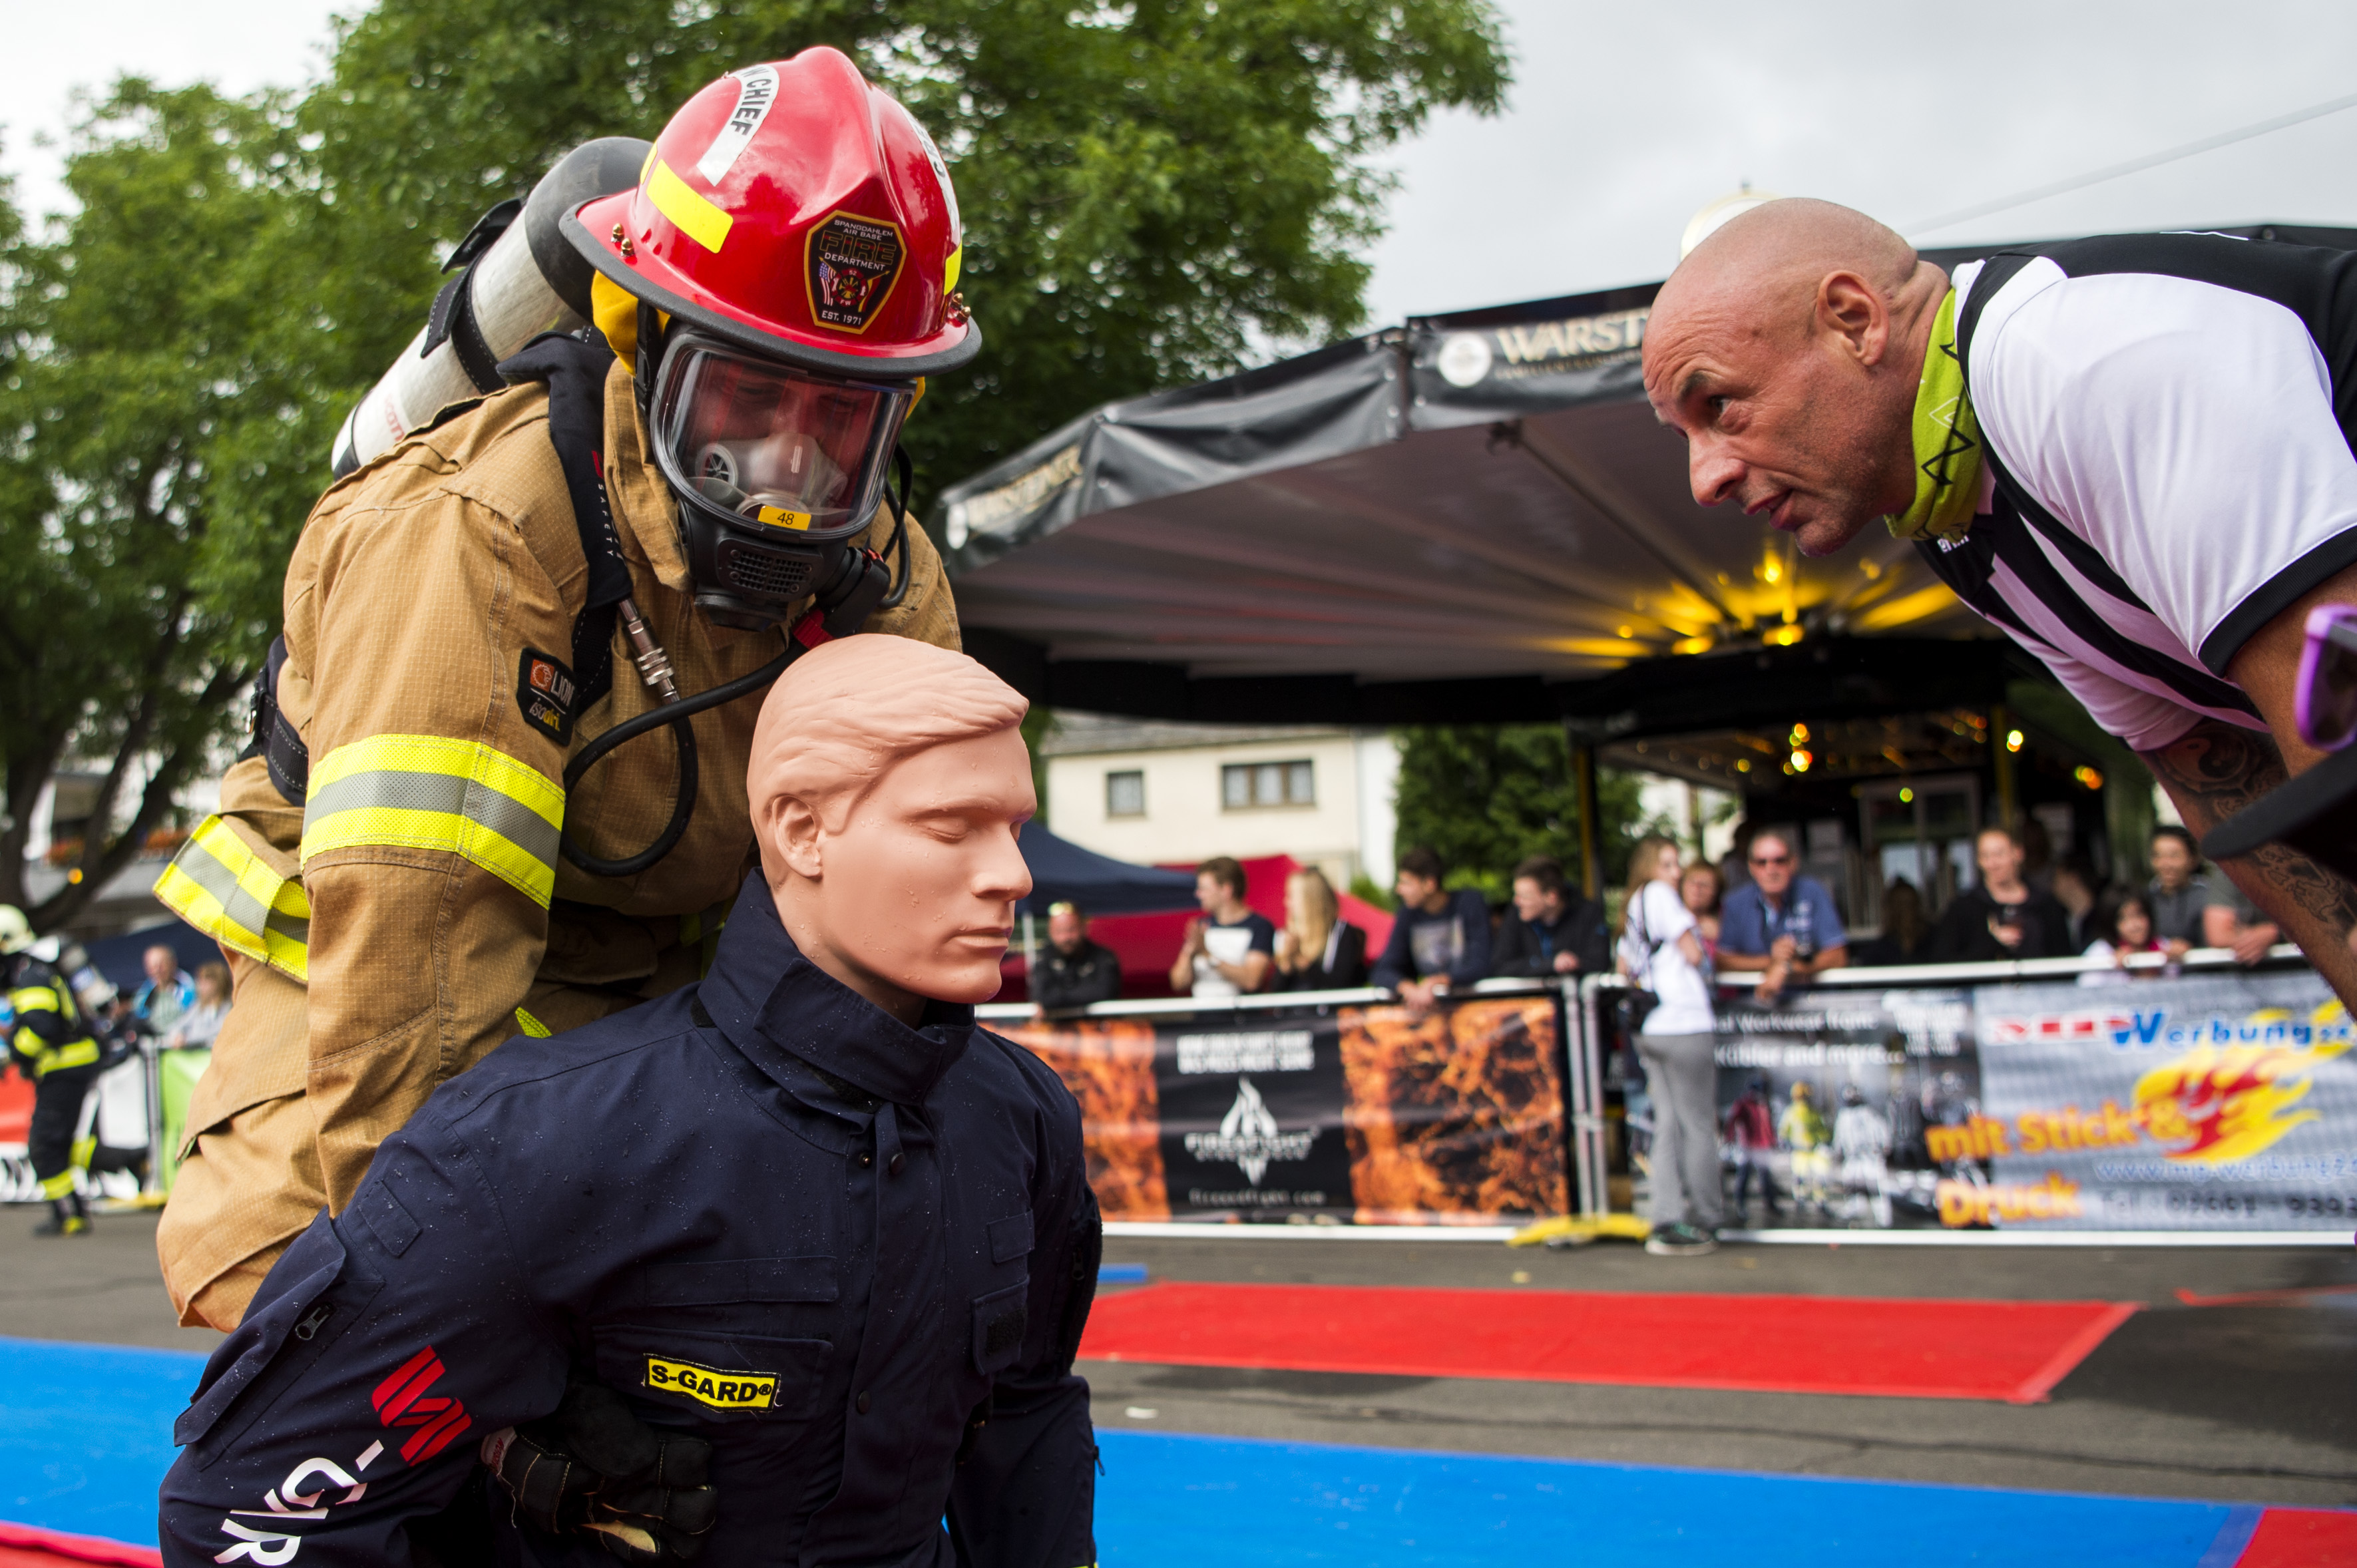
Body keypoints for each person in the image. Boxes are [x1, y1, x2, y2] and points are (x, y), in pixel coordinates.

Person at [150, 50, 974, 1332]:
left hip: (654, 1001)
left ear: (898, 408)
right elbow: (415, 997)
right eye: (748, 395)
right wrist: (482, 1353)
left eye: (841, 418)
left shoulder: (882, 574)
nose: (785, 467)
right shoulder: (476, 533)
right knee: (331, 1345)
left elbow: (880, 954)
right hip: (363, 995)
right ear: (648, 345)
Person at [158, 635, 1099, 1568]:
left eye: (1013, 829)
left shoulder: (1020, 1123)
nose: (1013, 875)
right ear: (802, 829)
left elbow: (1027, 1421)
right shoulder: (536, 1145)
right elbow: (249, 1518)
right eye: (951, 827)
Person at [1642, 198, 2357, 1006]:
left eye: (1721, 407)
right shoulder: (1950, 511)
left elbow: (2337, 732)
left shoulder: (2071, 358)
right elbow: (2205, 763)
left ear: (1853, 320)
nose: (1706, 480)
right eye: (1687, 437)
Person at [1615, 835, 1719, 1257]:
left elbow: (1623, 966)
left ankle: (1666, 1215)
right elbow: (1694, 954)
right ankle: (1707, 1216)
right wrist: (1703, 934)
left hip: (1651, 1024)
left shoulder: (1633, 905)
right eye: (1669, 864)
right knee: (1697, 1125)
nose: (1677, 874)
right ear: (1650, 867)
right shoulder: (1660, 896)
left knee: (1668, 1124)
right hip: (1683, 1020)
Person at [0, 906, 103, 1237]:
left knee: (45, 1145)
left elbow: (41, 1028)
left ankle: (69, 1214)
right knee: (55, 1141)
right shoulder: (37, 968)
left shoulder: (29, 974)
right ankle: (72, 1209)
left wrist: (13, 1053)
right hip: (70, 1063)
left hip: (64, 1065)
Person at [1715, 829, 1850, 1002]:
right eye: (1762, 862)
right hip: (1754, 1015)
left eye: (1779, 861)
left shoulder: (1813, 892)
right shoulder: (1735, 902)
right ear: (1751, 867)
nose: (1771, 869)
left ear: (1793, 862)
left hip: (1812, 1009)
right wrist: (1775, 963)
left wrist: (1789, 968)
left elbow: (1838, 956)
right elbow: (1723, 961)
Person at [1369, 846, 1493, 1010]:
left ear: (1429, 884)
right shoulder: (1408, 915)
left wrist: (1436, 982)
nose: (1399, 890)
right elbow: (1383, 970)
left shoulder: (1468, 904)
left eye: (1406, 883)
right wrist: (1408, 989)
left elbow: (1482, 964)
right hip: (1434, 1014)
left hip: (1474, 1011)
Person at [1929, 827, 2077, 963]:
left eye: (1999, 854)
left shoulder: (2046, 904)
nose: (1993, 863)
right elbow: (1944, 962)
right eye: (1985, 856)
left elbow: (2064, 959)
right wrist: (1992, 944)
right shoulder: (1963, 908)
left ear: (2018, 853)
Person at [1170, 857, 1276, 999]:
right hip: (1203, 1016)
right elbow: (1178, 983)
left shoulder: (1259, 927)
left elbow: (1252, 980)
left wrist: (1208, 956)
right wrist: (1190, 954)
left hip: (1240, 1017)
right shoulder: (1201, 927)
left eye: (1204, 889)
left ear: (1226, 890)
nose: (1198, 894)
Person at [1490, 855, 1609, 980]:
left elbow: (1600, 962)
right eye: (1516, 895)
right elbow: (1499, 965)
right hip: (1530, 997)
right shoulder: (1516, 914)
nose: (1517, 902)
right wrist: (1550, 964)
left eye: (1525, 896)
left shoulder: (1587, 913)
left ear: (1551, 897)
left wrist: (1573, 964)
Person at [1272, 867, 1369, 991]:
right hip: (1294, 1010)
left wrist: (1301, 960)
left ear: (1310, 900)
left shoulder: (1341, 933)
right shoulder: (1287, 936)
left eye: (1291, 896)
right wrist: (1286, 963)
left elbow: (1340, 985)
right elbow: (1276, 992)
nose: (1286, 902)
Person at [1030, 901, 1123, 1014]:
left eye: (1071, 930)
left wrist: (1058, 998)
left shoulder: (1103, 956)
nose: (1066, 937)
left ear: (1084, 928)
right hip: (1056, 1028)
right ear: (1050, 932)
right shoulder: (1044, 957)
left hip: (1096, 1027)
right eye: (1059, 931)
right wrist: (1082, 996)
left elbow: (1104, 993)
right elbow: (1041, 996)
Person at [1831, 1083, 1894, 1229]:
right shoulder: (1844, 1116)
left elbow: (1884, 1133)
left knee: (1876, 1189)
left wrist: (1884, 1147)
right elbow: (1839, 1138)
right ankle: (1855, 1210)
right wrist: (1837, 1152)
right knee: (1852, 1185)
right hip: (1853, 1157)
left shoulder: (1870, 1113)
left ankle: (1884, 1218)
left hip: (1871, 1157)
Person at [2079, 885, 2167, 986]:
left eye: (2139, 915)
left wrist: (2179, 957)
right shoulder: (2101, 953)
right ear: (2111, 923)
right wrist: (2113, 965)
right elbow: (2087, 992)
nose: (2135, 925)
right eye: (2124, 919)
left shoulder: (2163, 946)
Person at [1723, 1074, 1781, 1218]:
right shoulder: (1743, 1104)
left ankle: (1770, 1204)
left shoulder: (1764, 1105)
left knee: (1766, 1177)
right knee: (1744, 1176)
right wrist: (1729, 1138)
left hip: (1762, 1146)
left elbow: (1768, 1126)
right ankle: (1740, 1205)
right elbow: (1733, 1121)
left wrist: (1773, 1141)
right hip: (1747, 1146)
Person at [1778, 1081, 1832, 1213]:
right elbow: (1784, 1131)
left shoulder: (1809, 1112)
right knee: (1801, 1178)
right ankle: (1804, 1201)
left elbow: (1821, 1130)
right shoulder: (1793, 1112)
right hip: (1801, 1150)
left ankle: (1815, 1201)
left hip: (1811, 1151)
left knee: (1815, 1177)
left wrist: (1823, 1140)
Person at [1851, 879, 1932, 966]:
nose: (1906, 912)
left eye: (1910, 905)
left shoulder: (1935, 943)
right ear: (1890, 911)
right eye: (1900, 906)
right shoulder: (1877, 952)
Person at [126, 944, 194, 1040]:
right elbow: (139, 1018)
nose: (158, 970)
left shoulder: (190, 989)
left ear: (173, 963)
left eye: (162, 965)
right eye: (153, 966)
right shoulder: (144, 996)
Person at [163, 963, 233, 1052]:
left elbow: (217, 1033)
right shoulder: (198, 1007)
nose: (201, 985)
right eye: (200, 980)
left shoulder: (229, 1007)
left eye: (206, 981)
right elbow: (178, 1025)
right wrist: (178, 1035)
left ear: (219, 983)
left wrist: (187, 1040)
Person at [1680, 861, 1725, 956]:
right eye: (1692, 882)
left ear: (1716, 891)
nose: (1696, 889)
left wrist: (1723, 935)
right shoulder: (1670, 915)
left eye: (1704, 885)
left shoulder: (1727, 918)